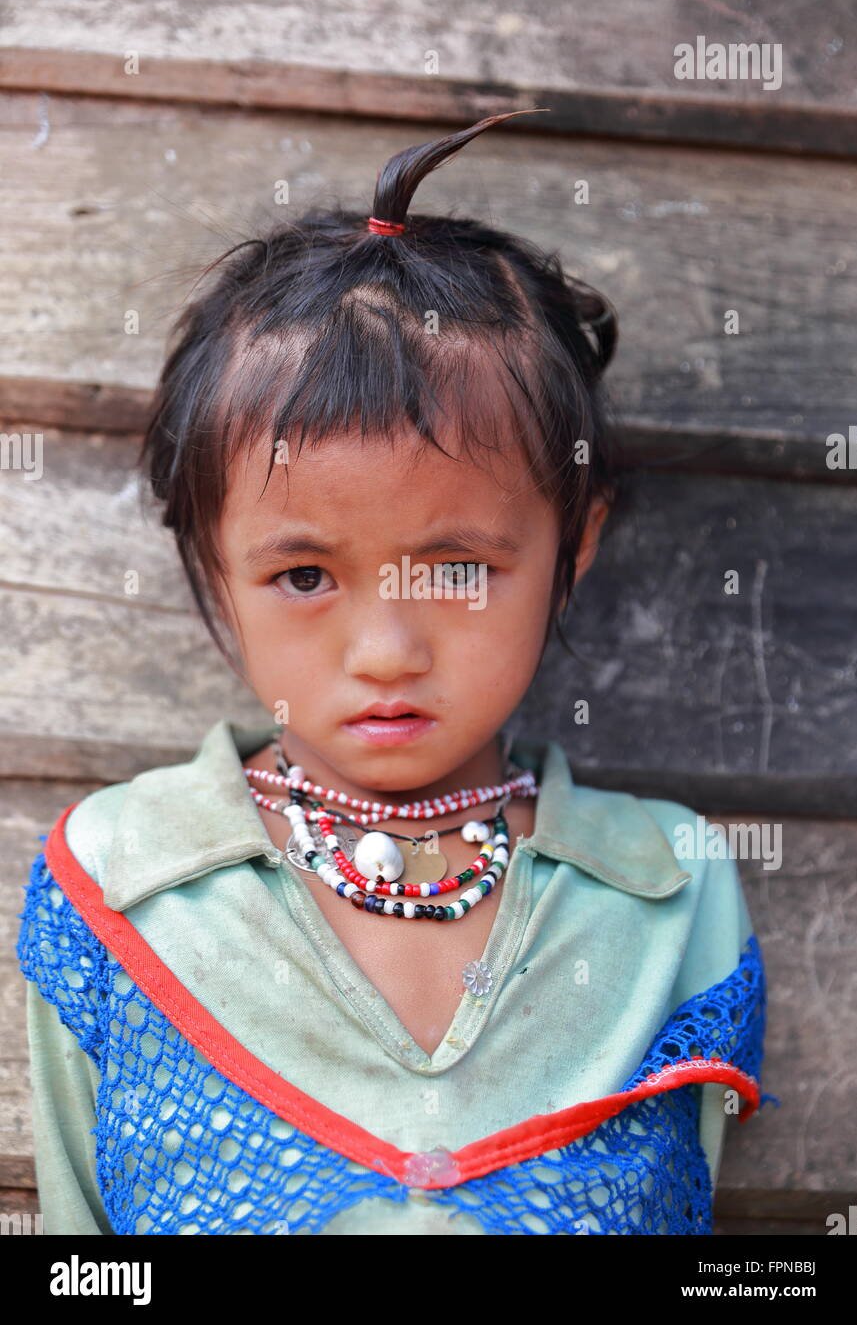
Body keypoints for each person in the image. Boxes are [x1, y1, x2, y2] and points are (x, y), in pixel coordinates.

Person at [17, 111, 768, 1236]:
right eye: (306, 575)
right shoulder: (122, 886)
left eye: (458, 568)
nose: (385, 651)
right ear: (217, 570)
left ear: (576, 546)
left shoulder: (666, 890)